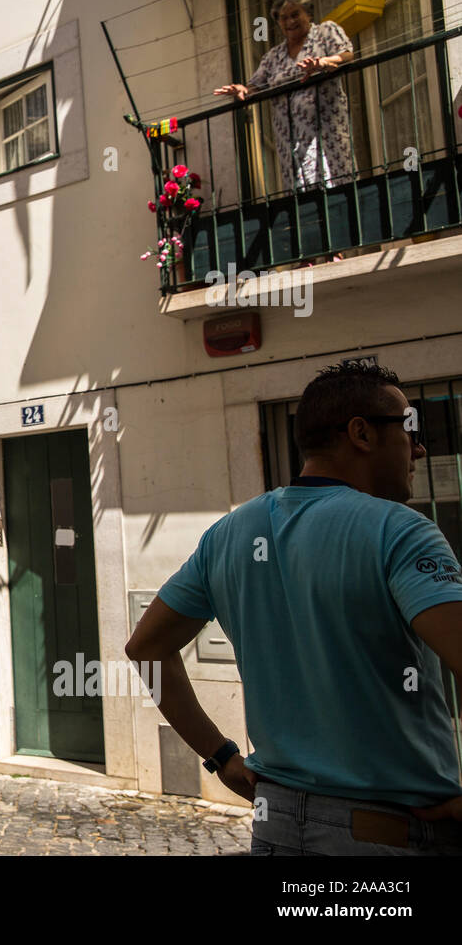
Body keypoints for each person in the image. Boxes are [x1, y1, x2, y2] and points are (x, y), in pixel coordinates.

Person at [128, 360, 462, 855]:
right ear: (361, 433)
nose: (419, 447)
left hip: (276, 827)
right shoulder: (401, 530)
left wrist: (221, 758)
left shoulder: (229, 533)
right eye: (408, 428)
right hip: (388, 834)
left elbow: (146, 648)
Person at [214, 0, 355, 191]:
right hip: (290, 142)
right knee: (304, 202)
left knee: (335, 191)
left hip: (326, 134)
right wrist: (242, 90)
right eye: (283, 17)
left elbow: (347, 54)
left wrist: (324, 62)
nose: (290, 21)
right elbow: (255, 86)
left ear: (308, 13)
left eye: (295, 14)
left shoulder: (325, 32)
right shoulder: (273, 56)